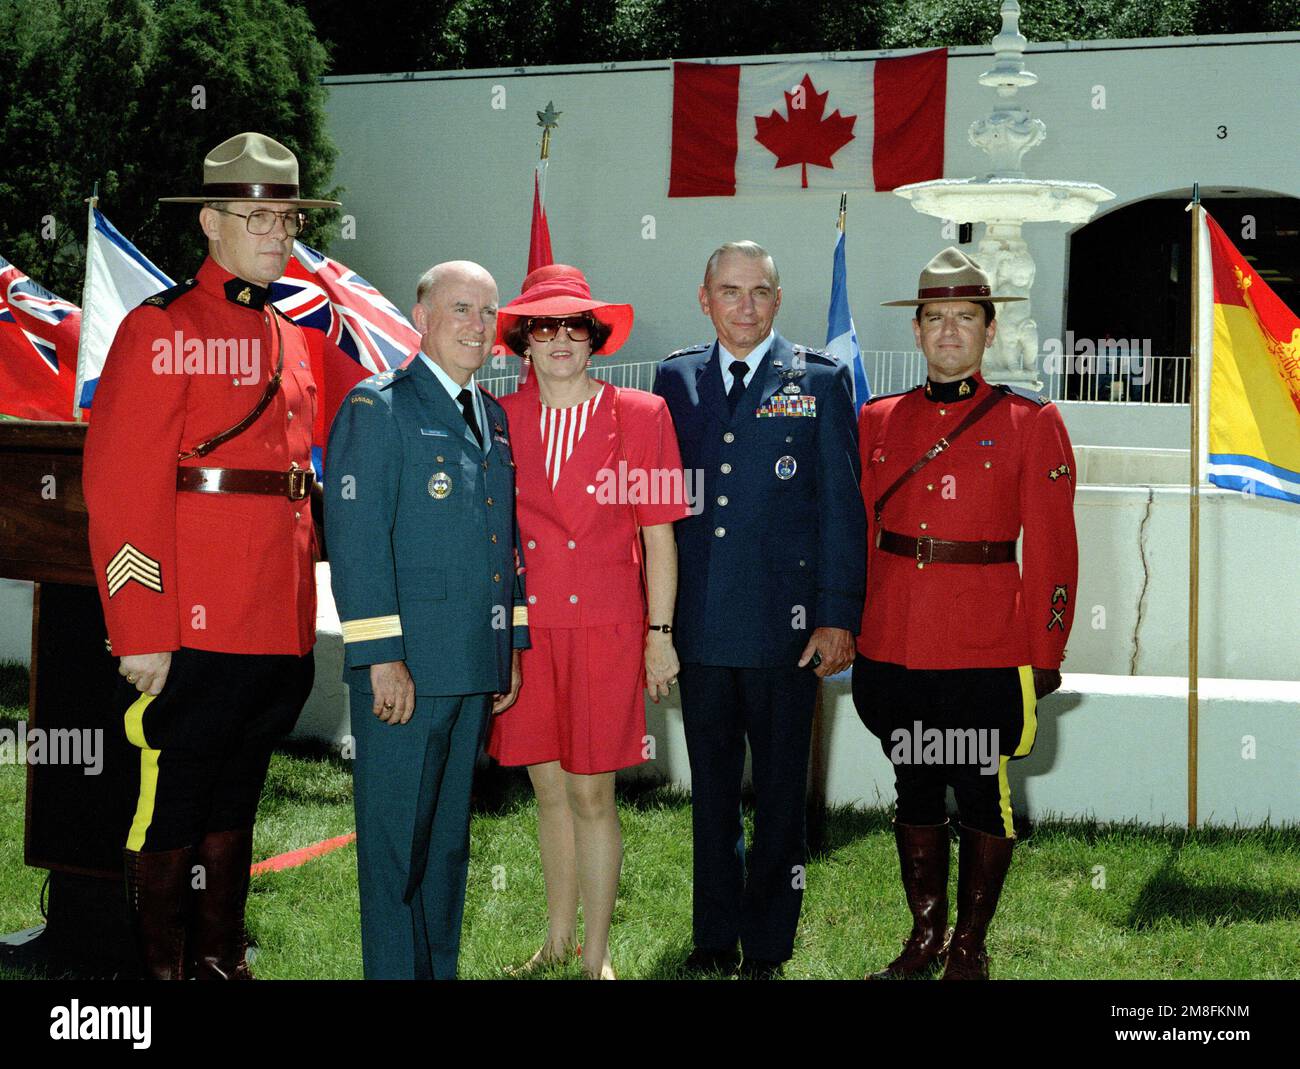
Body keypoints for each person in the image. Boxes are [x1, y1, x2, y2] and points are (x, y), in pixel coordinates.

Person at [83, 131, 337, 979]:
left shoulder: (292, 336)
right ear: (208, 222)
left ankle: (221, 961)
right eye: (256, 214)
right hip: (191, 621)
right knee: (174, 807)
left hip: (276, 624)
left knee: (238, 800)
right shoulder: (161, 329)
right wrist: (143, 626)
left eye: (288, 213)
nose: (278, 229)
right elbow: (124, 491)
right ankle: (157, 978)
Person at [854, 247, 1079, 980]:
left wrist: (1044, 651)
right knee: (914, 785)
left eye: (965, 317)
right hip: (894, 642)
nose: (949, 331)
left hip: (983, 647)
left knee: (981, 788)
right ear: (916, 332)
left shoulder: (1029, 420)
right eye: (935, 318)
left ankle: (970, 946)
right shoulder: (877, 419)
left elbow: (1051, 548)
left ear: (988, 332)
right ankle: (923, 937)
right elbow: (857, 534)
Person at [653, 240, 866, 978]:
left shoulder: (819, 379)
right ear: (704, 298)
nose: (745, 306)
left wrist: (838, 616)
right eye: (730, 291)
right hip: (703, 627)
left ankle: (769, 944)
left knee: (780, 800)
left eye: (760, 292)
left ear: (778, 300)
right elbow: (660, 512)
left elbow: (843, 508)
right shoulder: (673, 378)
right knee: (711, 795)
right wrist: (655, 624)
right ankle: (713, 937)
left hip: (787, 633)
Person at [325, 260, 528, 979]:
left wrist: (512, 645)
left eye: (487, 312)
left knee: (446, 843)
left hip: (472, 663)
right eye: (461, 309)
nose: (477, 325)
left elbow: (505, 538)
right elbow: (356, 539)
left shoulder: (492, 415)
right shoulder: (378, 407)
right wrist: (382, 654)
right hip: (405, 667)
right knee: (393, 844)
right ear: (422, 317)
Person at [486, 264, 690, 980]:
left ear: (595, 336)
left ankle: (597, 955)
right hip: (530, 633)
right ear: (524, 341)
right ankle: (556, 938)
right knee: (547, 791)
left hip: (609, 629)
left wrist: (658, 636)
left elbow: (660, 533)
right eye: (545, 326)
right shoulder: (498, 417)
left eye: (575, 325)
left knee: (592, 793)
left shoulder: (642, 414)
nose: (561, 339)